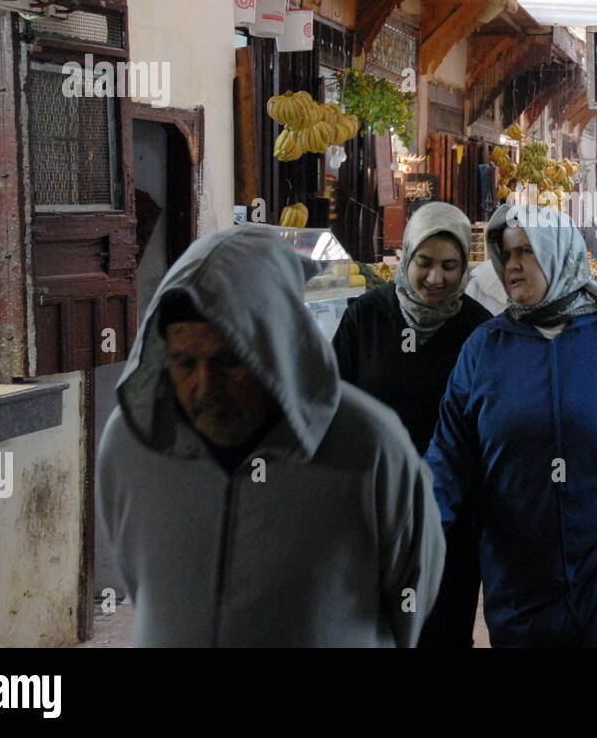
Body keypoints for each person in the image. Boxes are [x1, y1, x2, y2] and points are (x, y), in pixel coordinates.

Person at [96, 224, 444, 646]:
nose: (206, 389)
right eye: (185, 362)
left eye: (229, 361)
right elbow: (143, 581)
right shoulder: (134, 442)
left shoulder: (370, 448)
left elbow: (410, 594)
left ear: (276, 347)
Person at [424, 204, 597, 648]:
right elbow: (449, 451)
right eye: (507, 253)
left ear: (557, 253)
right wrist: (421, 523)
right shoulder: (485, 347)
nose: (513, 264)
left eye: (527, 251)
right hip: (516, 565)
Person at [333, 202, 492, 648]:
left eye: (449, 265)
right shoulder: (366, 317)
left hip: (450, 528)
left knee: (442, 632)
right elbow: (331, 407)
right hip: (374, 515)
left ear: (464, 267)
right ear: (405, 258)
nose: (435, 278)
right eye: (424, 263)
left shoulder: (479, 331)